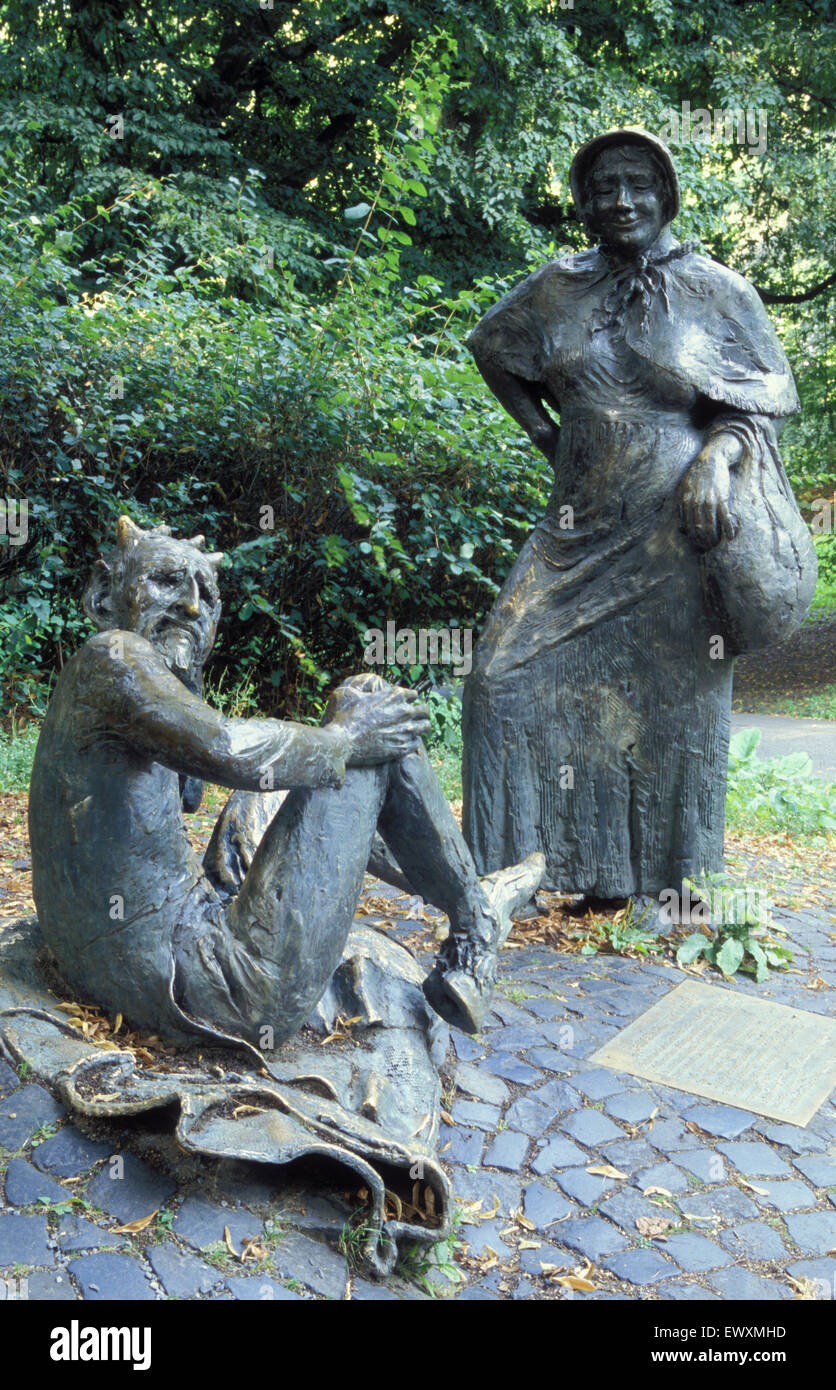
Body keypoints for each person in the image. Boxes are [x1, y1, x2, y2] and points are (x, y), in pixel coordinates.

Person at [462, 128, 814, 917]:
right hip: (577, 527)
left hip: (677, 532)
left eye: (636, 185)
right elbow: (493, 348)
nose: (619, 201)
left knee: (668, 706)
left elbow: (756, 408)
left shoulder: (716, 289)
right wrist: (548, 437)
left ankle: (673, 886)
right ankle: (504, 877)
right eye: (603, 188)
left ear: (666, 194)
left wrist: (717, 460)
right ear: (582, 202)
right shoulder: (557, 285)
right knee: (499, 679)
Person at [28, 516, 543, 1047]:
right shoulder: (113, 655)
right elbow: (226, 749)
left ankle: (452, 889)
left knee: (315, 765)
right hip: (219, 989)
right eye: (165, 581)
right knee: (371, 718)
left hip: (138, 949)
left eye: (206, 595)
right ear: (103, 594)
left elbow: (191, 789)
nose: (190, 606)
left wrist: (189, 675)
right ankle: (475, 924)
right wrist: (346, 738)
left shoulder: (129, 679)